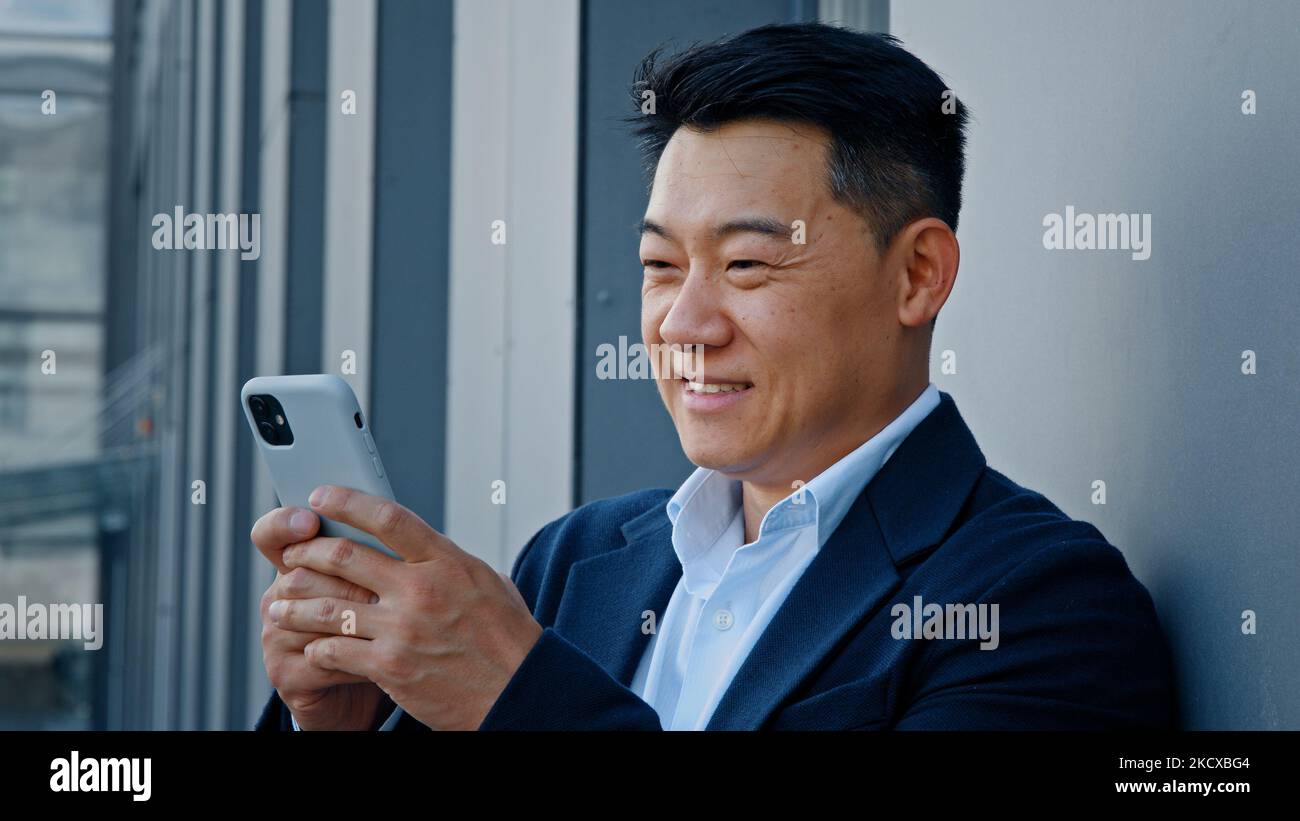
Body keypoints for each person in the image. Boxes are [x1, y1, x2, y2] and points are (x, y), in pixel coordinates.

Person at [253, 22, 1175, 731]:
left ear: (917, 275)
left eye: (745, 266)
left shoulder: (1038, 606)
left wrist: (522, 697)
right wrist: (339, 721)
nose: (684, 325)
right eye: (661, 267)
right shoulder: (574, 565)